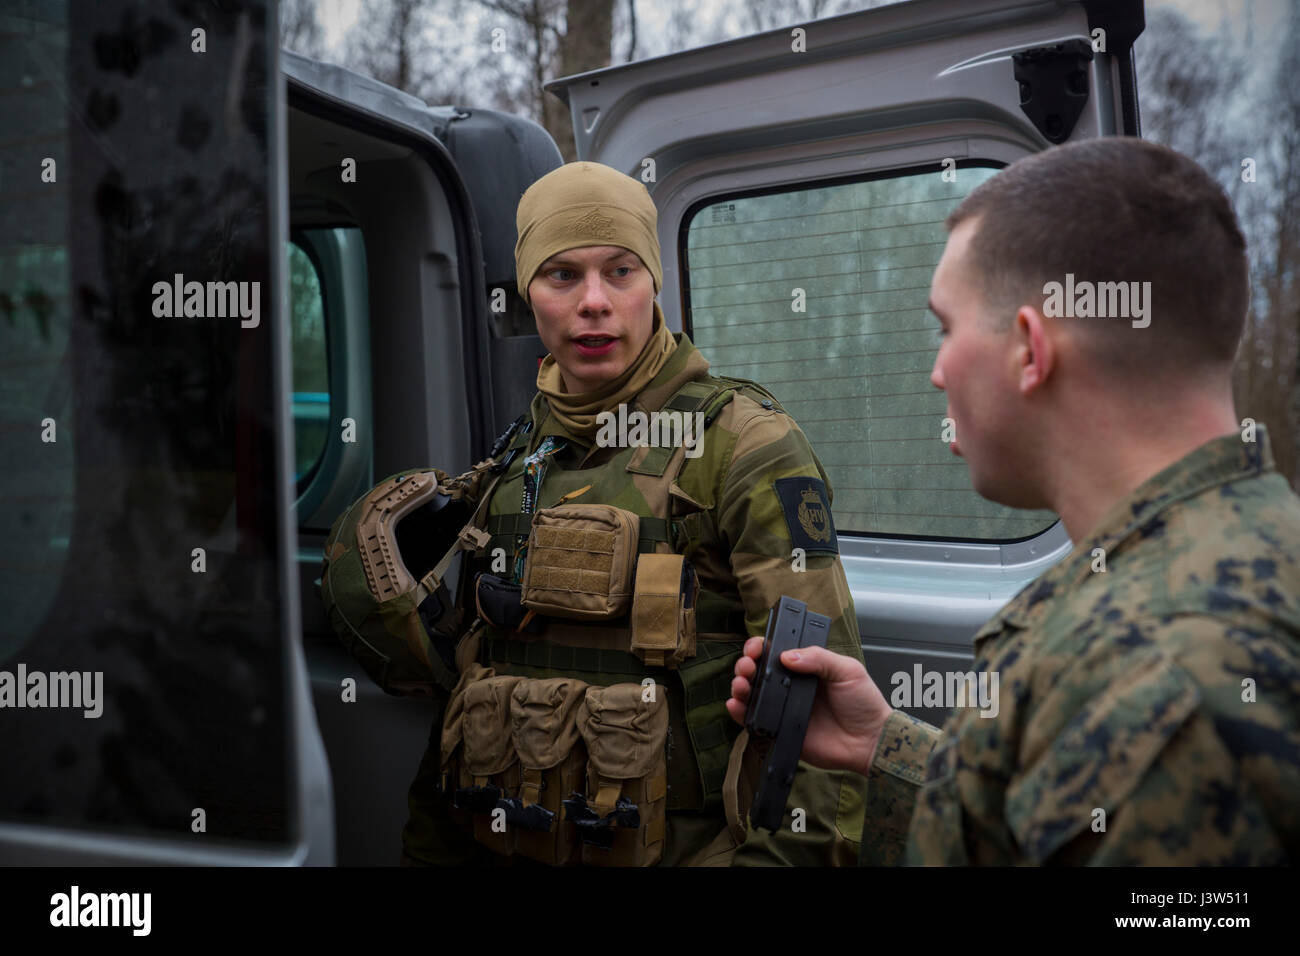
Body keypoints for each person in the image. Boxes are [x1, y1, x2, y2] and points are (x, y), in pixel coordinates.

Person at [728, 137, 1300, 865]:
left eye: (945, 327)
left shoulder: (1163, 681)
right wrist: (884, 746)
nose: (937, 372)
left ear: (1030, 349)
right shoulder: (1240, 551)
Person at [399, 161, 868, 866]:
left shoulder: (745, 443)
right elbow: (471, 689)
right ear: (529, 293)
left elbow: (817, 715)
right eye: (562, 275)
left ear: (655, 284)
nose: (595, 301)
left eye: (621, 271)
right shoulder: (518, 457)